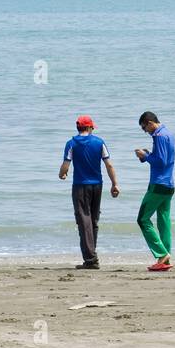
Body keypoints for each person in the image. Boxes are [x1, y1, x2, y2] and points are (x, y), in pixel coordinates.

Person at [58, 115, 119, 269]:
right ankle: (91, 256)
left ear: (78, 128)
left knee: (83, 221)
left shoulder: (71, 143)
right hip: (97, 185)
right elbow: (109, 165)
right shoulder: (99, 142)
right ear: (90, 127)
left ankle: (91, 260)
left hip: (80, 186)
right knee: (93, 220)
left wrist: (62, 174)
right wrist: (115, 184)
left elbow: (66, 164)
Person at [133, 111, 175, 271]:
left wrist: (145, 156)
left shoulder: (159, 136)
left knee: (142, 219)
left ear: (150, 122)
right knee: (164, 222)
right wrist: (149, 154)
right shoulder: (169, 134)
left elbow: (161, 162)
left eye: (145, 128)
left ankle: (161, 253)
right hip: (169, 185)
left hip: (158, 185)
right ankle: (165, 259)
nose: (146, 131)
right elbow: (163, 158)